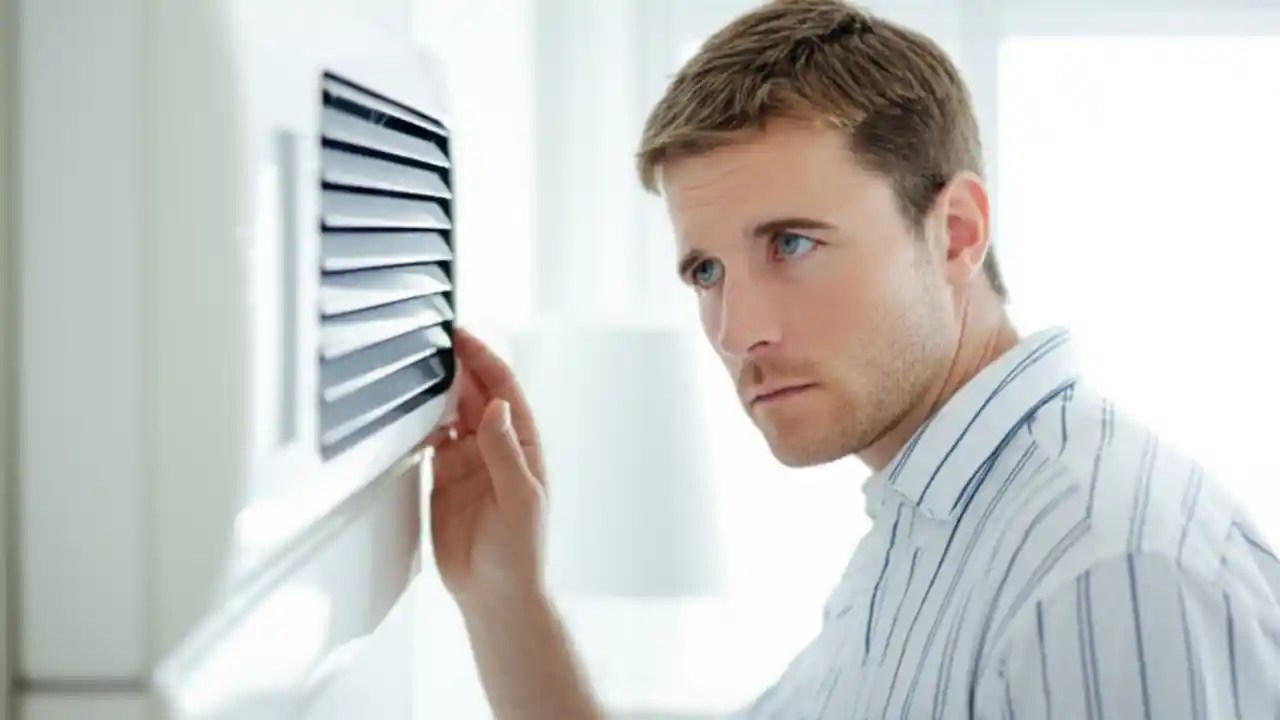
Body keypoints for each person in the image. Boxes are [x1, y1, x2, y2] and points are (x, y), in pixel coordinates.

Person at [422, 0, 1280, 717]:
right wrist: (505, 597)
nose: (736, 331)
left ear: (956, 233)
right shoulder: (929, 525)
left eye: (791, 243)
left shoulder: (1108, 574)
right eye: (706, 271)